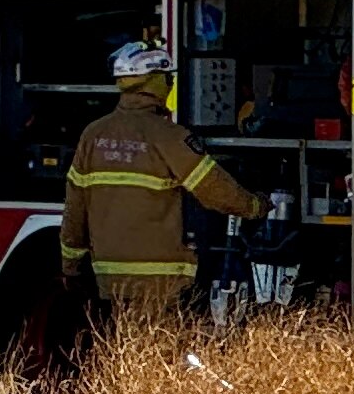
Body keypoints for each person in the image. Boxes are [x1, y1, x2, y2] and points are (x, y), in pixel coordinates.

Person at [61, 35, 261, 327]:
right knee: (160, 346)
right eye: (167, 79)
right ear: (155, 82)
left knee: (129, 346)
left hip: (111, 279)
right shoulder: (169, 137)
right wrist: (257, 207)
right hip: (161, 281)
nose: (170, 85)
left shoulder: (93, 135)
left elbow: (74, 210)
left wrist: (71, 267)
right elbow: (216, 190)